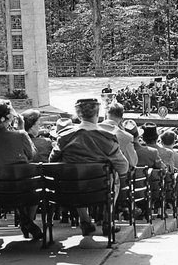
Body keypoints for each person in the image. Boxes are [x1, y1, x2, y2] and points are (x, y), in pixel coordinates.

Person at [49, 98, 129, 236]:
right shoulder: (107, 138)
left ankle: (85, 221)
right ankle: (107, 221)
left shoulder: (64, 137)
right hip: (100, 190)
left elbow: (52, 162)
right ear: (98, 114)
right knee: (114, 176)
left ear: (78, 115)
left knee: (74, 177)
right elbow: (123, 167)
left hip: (71, 190)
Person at [0, 99, 41, 240]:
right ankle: (27, 221)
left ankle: (25, 220)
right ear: (9, 118)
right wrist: (22, 130)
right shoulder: (20, 136)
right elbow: (32, 155)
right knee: (27, 187)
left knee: (9, 185)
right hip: (24, 191)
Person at [102, 102, 138, 167]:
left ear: (106, 115)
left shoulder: (91, 131)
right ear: (122, 119)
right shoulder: (126, 137)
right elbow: (133, 162)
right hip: (112, 172)